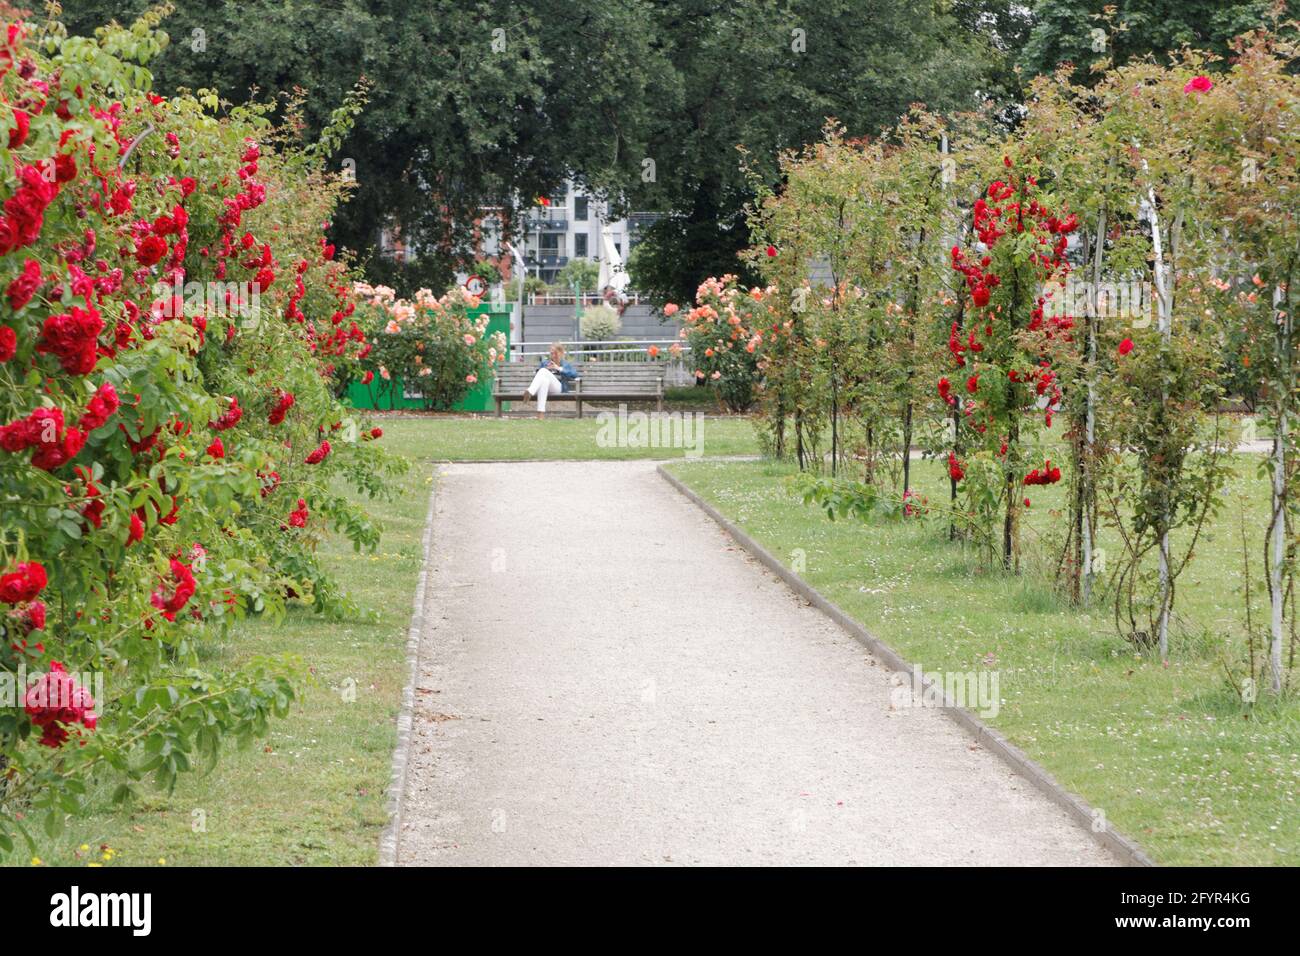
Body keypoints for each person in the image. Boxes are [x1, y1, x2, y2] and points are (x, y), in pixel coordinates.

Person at [521, 343, 579, 417]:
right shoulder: (545, 363)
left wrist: (558, 368)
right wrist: (547, 369)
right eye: (551, 353)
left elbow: (574, 375)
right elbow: (538, 376)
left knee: (543, 371)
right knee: (544, 381)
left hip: (559, 388)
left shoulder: (565, 364)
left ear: (560, 353)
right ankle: (540, 415)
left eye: (555, 353)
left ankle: (530, 391)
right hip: (547, 386)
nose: (553, 355)